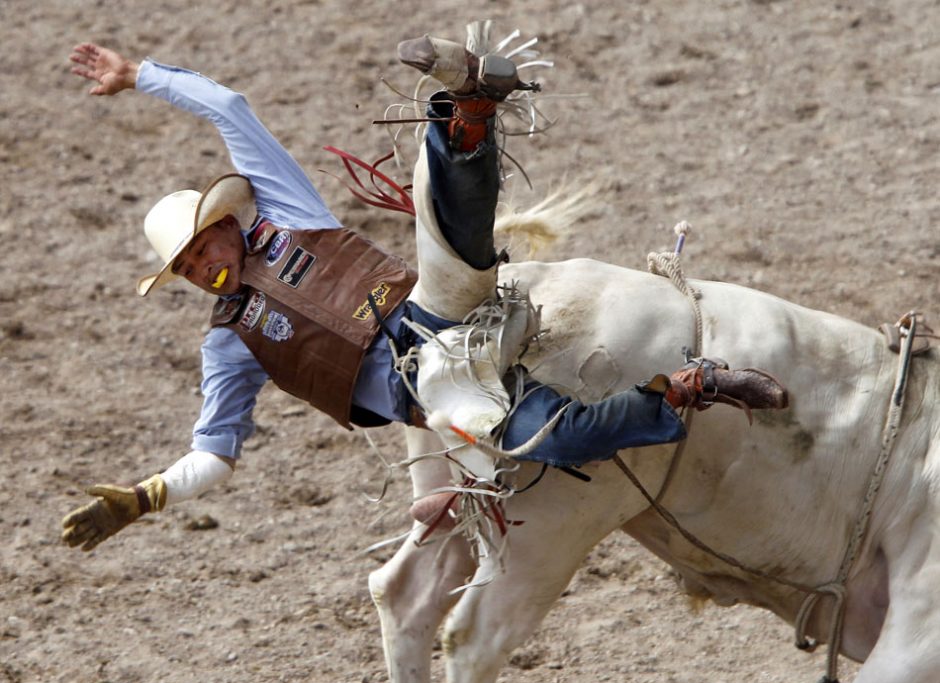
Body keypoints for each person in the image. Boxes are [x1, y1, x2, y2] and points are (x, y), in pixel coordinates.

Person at [61, 33, 787, 552]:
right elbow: (214, 452)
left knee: (448, 232)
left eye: (200, 249)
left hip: (428, 312)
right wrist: (146, 495)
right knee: (557, 435)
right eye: (186, 268)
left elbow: (228, 106)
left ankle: (466, 114)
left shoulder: (284, 209)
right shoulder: (228, 342)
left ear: (223, 223)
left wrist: (138, 74)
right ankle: (688, 387)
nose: (202, 268)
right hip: (433, 391)